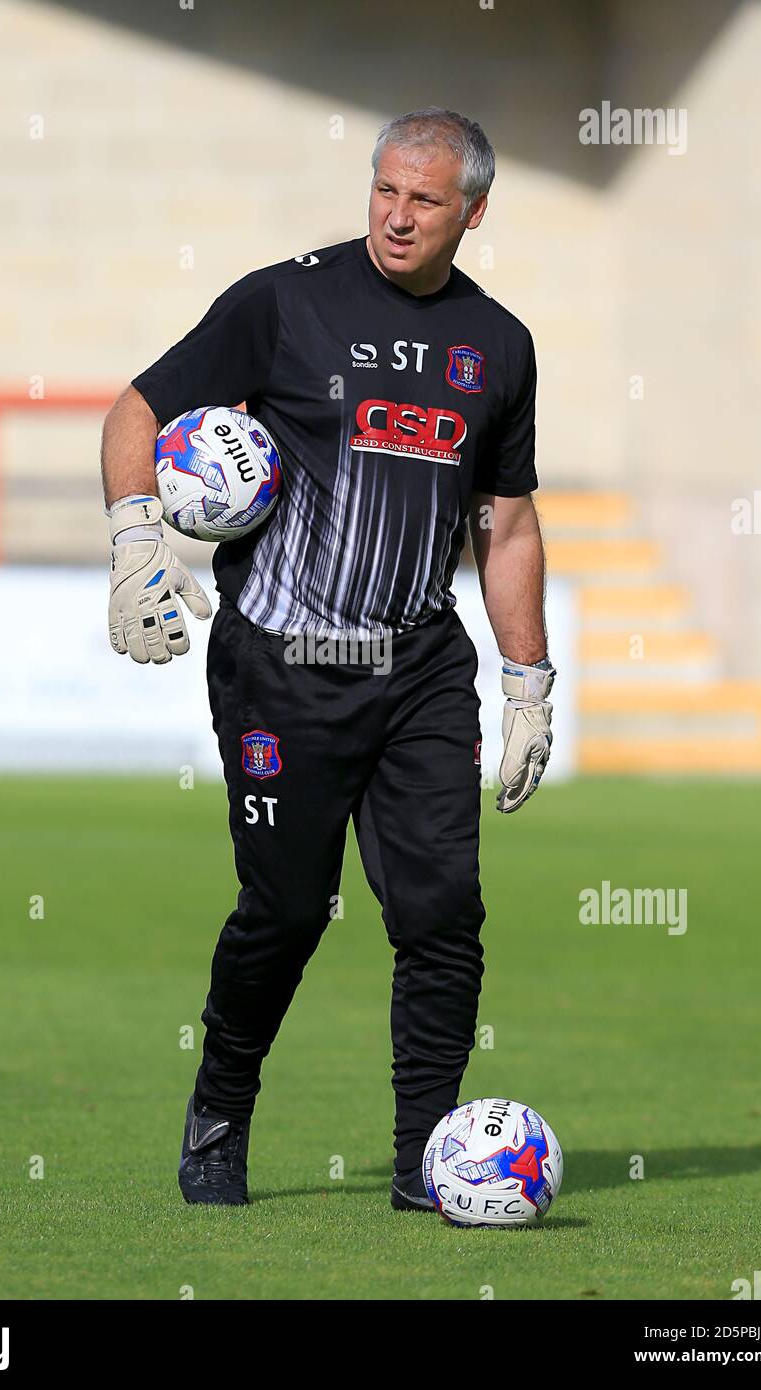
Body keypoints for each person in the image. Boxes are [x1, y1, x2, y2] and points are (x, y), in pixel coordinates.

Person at [100, 107, 554, 1210]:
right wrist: (132, 541)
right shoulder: (284, 299)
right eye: (385, 190)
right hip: (281, 665)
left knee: (442, 913)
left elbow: (509, 519)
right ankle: (220, 1113)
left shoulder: (498, 345)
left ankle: (425, 1160)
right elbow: (136, 409)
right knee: (287, 911)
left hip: (420, 670)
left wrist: (528, 681)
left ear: (473, 211)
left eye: (425, 200)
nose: (397, 217)